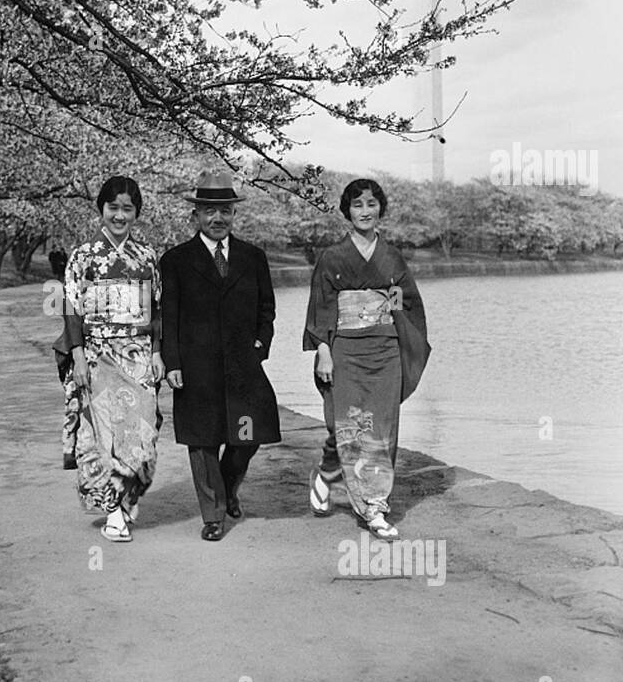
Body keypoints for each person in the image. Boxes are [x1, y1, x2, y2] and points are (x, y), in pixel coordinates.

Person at [303, 178, 430, 538]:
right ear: (348, 211)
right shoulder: (332, 257)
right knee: (346, 424)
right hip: (345, 348)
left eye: (371, 204)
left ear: (380, 210)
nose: (365, 211)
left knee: (382, 428)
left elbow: (405, 305)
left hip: (385, 349)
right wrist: (324, 351)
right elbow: (321, 308)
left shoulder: (391, 257)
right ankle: (331, 471)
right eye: (357, 205)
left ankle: (374, 506)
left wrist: (398, 335)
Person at [159, 168, 280, 542]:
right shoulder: (176, 260)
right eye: (209, 211)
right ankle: (213, 514)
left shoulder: (253, 257)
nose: (217, 218)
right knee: (203, 438)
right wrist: (173, 362)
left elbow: (266, 309)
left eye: (225, 210)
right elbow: (169, 318)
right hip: (197, 365)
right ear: (195, 215)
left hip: (243, 363)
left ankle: (228, 488)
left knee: (249, 433)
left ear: (234, 214)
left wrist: (261, 345)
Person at [53, 176, 164, 542]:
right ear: (101, 208)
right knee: (103, 437)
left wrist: (159, 354)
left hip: (138, 354)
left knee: (142, 434)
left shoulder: (146, 257)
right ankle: (114, 512)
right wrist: (79, 357)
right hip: (97, 354)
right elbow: (71, 310)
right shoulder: (83, 257)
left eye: (127, 209)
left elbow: (157, 311)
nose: (119, 215)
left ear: (137, 213)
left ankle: (128, 496)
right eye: (113, 207)